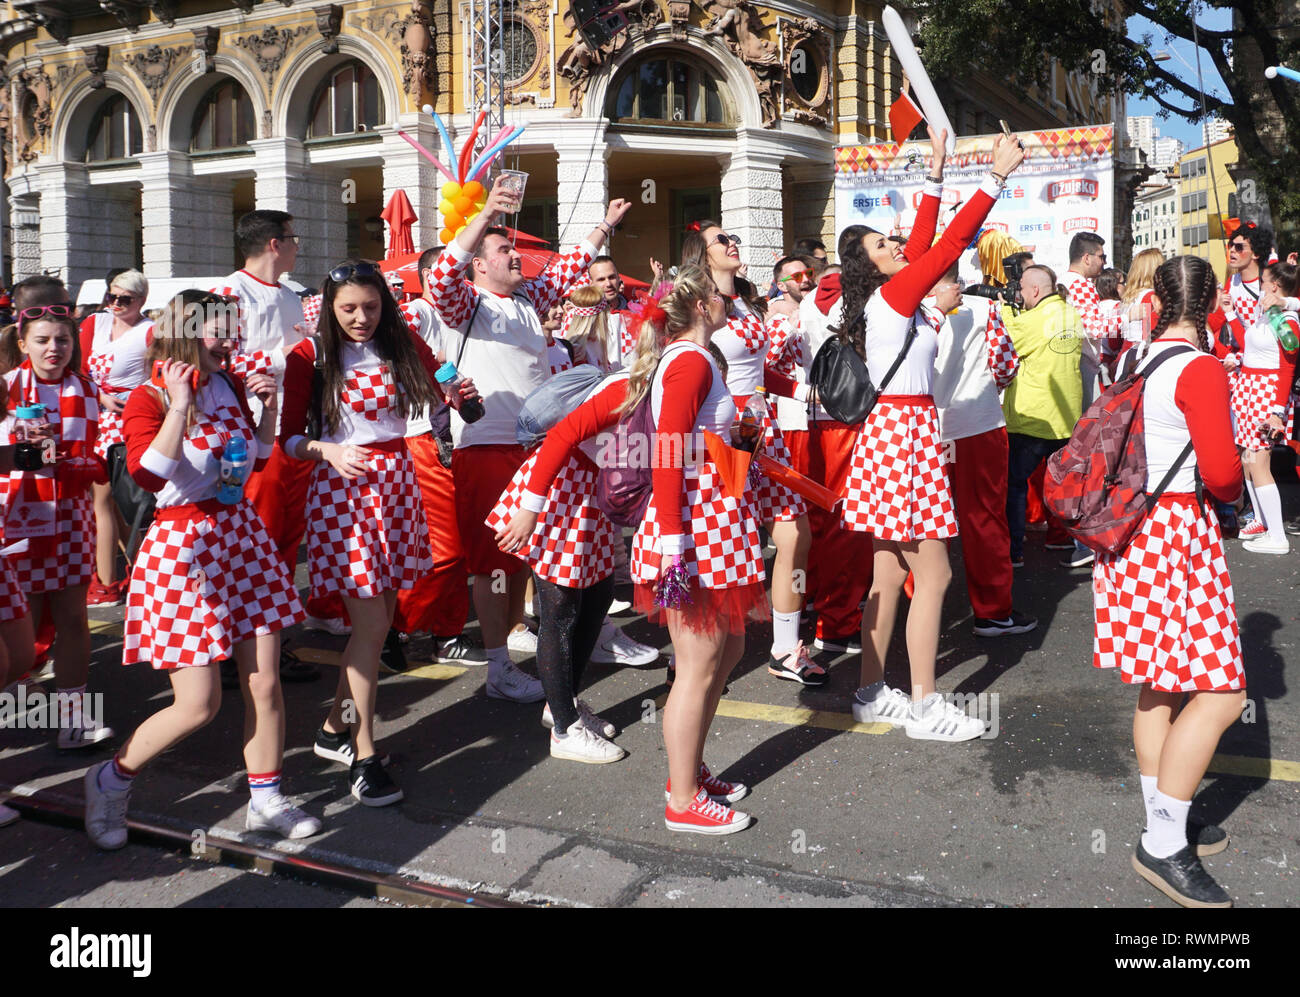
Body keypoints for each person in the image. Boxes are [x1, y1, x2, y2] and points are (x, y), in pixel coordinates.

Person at [84, 290, 317, 850]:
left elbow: (256, 460)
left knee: (265, 683)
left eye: (233, 330)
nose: (231, 342)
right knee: (199, 704)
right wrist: (180, 403)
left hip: (240, 537)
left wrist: (270, 409)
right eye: (220, 331)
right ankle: (110, 779)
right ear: (186, 333)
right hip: (183, 551)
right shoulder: (147, 397)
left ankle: (265, 798)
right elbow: (147, 475)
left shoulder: (230, 383)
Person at [840, 127, 1026, 741]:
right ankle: (923, 706)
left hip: (899, 431)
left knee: (890, 575)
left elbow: (924, 241)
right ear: (872, 266)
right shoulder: (895, 297)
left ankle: (871, 692)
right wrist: (996, 178)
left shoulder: (895, 296)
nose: (895, 243)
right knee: (937, 575)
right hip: (903, 433)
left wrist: (937, 172)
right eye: (881, 242)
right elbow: (943, 249)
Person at [426, 176, 631, 705]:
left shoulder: (527, 297)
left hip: (535, 446)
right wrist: (486, 215)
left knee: (525, 556)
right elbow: (445, 270)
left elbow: (566, 269)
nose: (514, 255)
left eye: (512, 247)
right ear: (480, 263)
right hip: (488, 445)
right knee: (492, 561)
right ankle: (498, 669)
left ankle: (515, 648)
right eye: (503, 250)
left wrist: (605, 224)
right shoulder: (463, 302)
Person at [1093, 255, 1245, 908]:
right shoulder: (1203, 368)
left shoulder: (1134, 359)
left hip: (1130, 531)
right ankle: (1161, 842)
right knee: (1222, 694)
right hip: (1177, 535)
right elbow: (1223, 477)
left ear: (1155, 301)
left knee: (1160, 684)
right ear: (1210, 307)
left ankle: (1166, 820)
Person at [281, 261, 451, 806]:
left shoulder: (401, 345)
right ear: (330, 308)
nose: (361, 318)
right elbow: (285, 439)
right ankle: (364, 753)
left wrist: (457, 390)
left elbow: (442, 379)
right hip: (342, 495)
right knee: (374, 628)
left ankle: (334, 729)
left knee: (372, 631)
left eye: (372, 307)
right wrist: (327, 448)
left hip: (397, 484)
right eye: (349, 308)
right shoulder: (308, 356)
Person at [626, 267, 760, 833]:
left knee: (724, 653)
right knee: (699, 665)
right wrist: (676, 540)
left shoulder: (693, 359)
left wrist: (736, 439)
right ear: (702, 306)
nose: (729, 299)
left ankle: (691, 772)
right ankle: (682, 800)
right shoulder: (688, 360)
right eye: (720, 294)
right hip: (695, 527)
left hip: (714, 521)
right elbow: (669, 451)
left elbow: (695, 442)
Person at [681, 222, 821, 685]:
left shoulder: (744, 298)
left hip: (764, 427)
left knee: (795, 533)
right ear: (701, 255)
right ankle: (687, 652)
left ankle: (784, 647)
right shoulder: (691, 305)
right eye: (721, 240)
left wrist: (802, 391)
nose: (732, 243)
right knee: (722, 544)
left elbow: (757, 370)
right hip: (724, 434)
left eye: (733, 237)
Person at [216, 210, 330, 676]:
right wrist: (282, 356)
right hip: (248, 437)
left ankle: (268, 642)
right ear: (273, 244)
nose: (298, 246)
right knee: (252, 541)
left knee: (283, 541)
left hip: (292, 432)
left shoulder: (290, 295)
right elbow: (209, 361)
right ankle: (232, 648)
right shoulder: (225, 292)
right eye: (293, 238)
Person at [3, 303, 112, 750]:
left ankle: (74, 719)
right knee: (18, 623)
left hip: (70, 515)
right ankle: (13, 704)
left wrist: (80, 465)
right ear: (23, 343)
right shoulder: (5, 390)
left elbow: (100, 457)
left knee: (73, 618)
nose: (54, 349)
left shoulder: (88, 389)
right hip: (15, 517)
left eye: (63, 340)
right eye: (43, 340)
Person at [927, 262, 1035, 638]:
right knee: (984, 518)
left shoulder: (905, 307)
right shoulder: (983, 308)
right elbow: (1006, 366)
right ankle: (992, 612)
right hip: (977, 422)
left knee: (920, 523)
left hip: (922, 427)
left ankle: (916, 605)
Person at [390, 245, 482, 665]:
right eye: (457, 272)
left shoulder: (463, 314)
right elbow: (390, 336)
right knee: (447, 549)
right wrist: (437, 365)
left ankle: (446, 635)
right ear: (432, 275)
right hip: (424, 439)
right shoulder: (420, 313)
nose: (463, 280)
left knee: (460, 548)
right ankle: (397, 629)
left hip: (456, 438)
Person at [1001, 265, 1085, 569]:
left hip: (1033, 417)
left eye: (1021, 288)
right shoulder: (1070, 314)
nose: (1019, 294)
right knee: (1064, 483)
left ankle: (1014, 551)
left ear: (1035, 291)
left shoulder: (1033, 320)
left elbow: (1006, 339)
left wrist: (1004, 307)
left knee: (1015, 484)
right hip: (1066, 416)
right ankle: (1064, 538)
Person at [80, 269, 153, 607]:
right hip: (95, 417)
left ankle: (109, 582)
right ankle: (129, 574)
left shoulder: (149, 331)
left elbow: (159, 375)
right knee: (108, 503)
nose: (117, 304)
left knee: (113, 502)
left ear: (141, 301)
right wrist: (99, 396)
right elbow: (77, 368)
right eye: (113, 296)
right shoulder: (95, 324)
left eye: (126, 299)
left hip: (126, 423)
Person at [1219, 260, 1298, 554]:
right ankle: (1264, 524)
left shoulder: (1286, 318)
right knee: (1248, 461)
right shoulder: (1265, 313)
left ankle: (1277, 536)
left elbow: (1287, 365)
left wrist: (1276, 412)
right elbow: (1248, 345)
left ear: (1274, 286)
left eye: (1264, 281)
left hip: (1266, 396)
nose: (1260, 286)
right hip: (1249, 390)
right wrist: (1229, 314)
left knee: (1259, 463)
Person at [1061, 233, 1108, 410]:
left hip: (1069, 361)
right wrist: (1128, 318)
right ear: (1087, 258)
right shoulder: (1081, 284)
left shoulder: (1061, 280)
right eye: (1102, 256)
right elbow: (1095, 329)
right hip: (1085, 364)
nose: (1104, 262)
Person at [1117, 248, 1164, 368]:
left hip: (1126, 355)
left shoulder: (1129, 297)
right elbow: (1149, 335)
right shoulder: (1150, 296)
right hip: (1140, 359)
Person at [586, 255, 636, 361]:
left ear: (618, 278)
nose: (608, 284)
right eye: (601, 279)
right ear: (591, 284)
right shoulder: (583, 318)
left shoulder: (636, 313)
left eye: (612, 277)